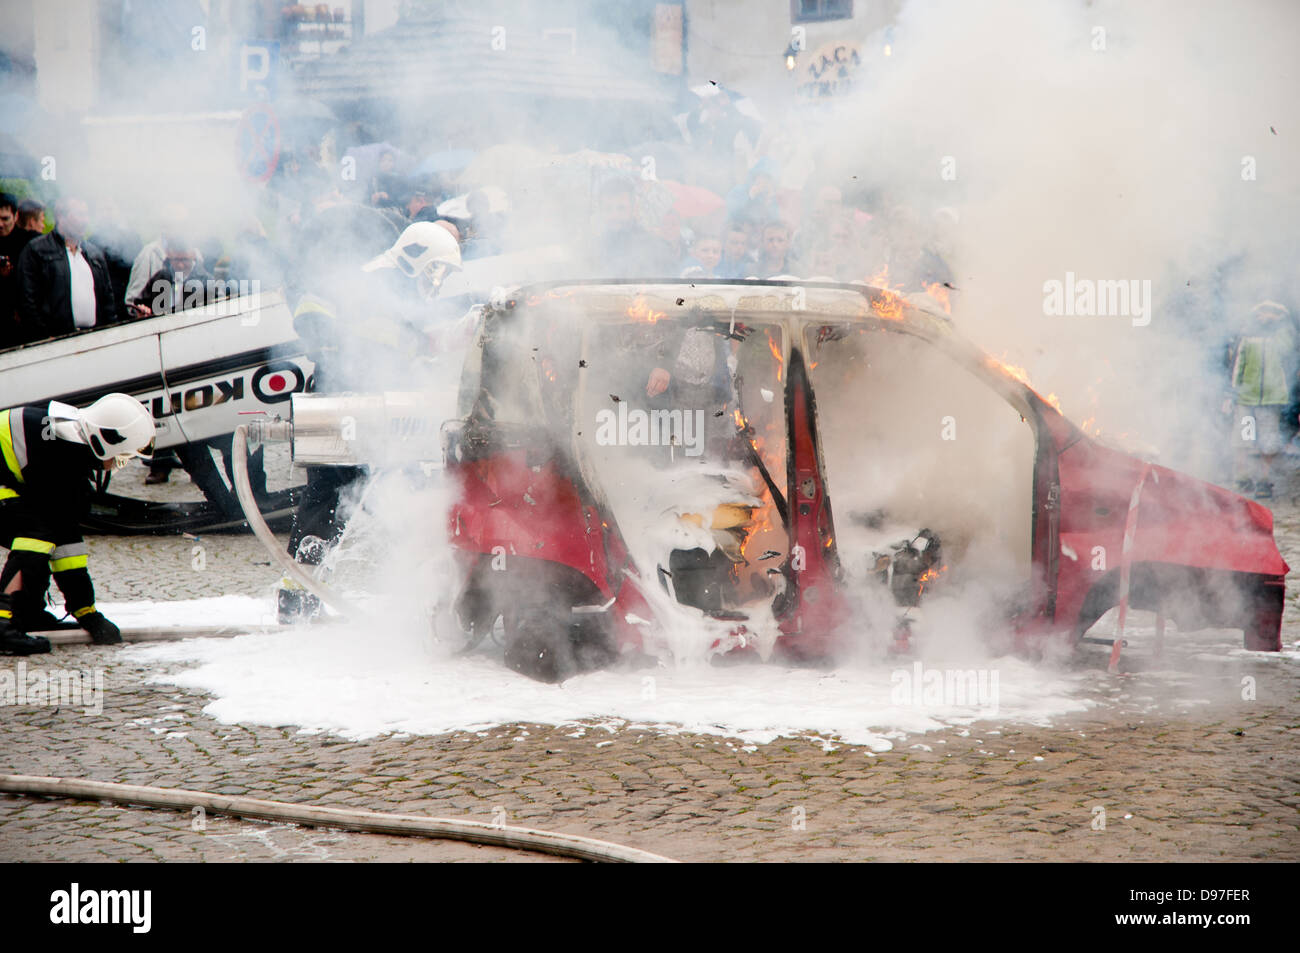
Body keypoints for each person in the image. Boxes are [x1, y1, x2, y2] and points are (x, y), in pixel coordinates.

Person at [277, 221, 463, 622]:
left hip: (370, 406)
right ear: (418, 259)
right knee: (336, 500)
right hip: (343, 401)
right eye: (437, 269)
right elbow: (311, 311)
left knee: (347, 502)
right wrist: (337, 349)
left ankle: (301, 599)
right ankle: (298, 600)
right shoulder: (374, 280)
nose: (439, 280)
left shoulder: (399, 288)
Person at [0, 393, 156, 655]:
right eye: (121, 457)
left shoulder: (72, 442)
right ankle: (3, 623)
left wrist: (87, 612)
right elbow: (51, 526)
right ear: (106, 440)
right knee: (36, 535)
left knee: (48, 530)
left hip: (9, 478)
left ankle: (26, 613)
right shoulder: (58, 453)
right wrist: (88, 614)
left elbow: (68, 542)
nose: (119, 464)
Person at [14, 196, 117, 343]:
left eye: (86, 214)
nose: (85, 220)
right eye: (79, 214)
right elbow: (26, 300)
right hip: (56, 341)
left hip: (94, 338)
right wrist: (42, 337)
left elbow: (108, 299)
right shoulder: (36, 251)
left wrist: (111, 334)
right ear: (61, 217)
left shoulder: (94, 254)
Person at [1226, 300, 1298, 499]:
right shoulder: (1247, 336)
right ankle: (1243, 477)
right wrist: (1232, 394)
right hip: (1246, 399)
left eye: (1270, 313)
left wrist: (1280, 320)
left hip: (1270, 399)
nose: (1265, 316)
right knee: (1244, 439)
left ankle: (1264, 481)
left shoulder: (1282, 336)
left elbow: (1289, 348)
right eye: (1261, 313)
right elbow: (1238, 365)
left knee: (1268, 440)